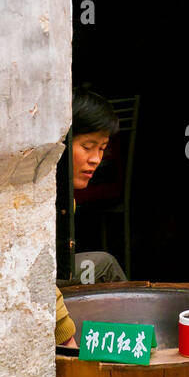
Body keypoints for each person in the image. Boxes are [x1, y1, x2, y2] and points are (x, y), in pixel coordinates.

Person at [55, 90, 126, 350]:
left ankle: (125, 341)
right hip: (41, 281)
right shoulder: (42, 200)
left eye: (102, 149)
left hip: (53, 273)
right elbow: (38, 280)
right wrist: (66, 338)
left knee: (103, 263)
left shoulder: (66, 197)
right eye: (87, 147)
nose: (95, 159)